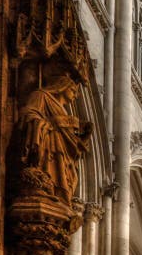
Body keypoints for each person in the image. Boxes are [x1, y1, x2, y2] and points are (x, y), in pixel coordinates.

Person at [16, 73, 92, 203]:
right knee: (47, 175)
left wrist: (83, 135)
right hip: (48, 146)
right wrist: (51, 124)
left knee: (65, 180)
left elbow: (70, 142)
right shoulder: (41, 96)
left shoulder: (63, 110)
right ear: (62, 86)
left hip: (61, 154)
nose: (76, 95)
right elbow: (28, 115)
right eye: (73, 90)